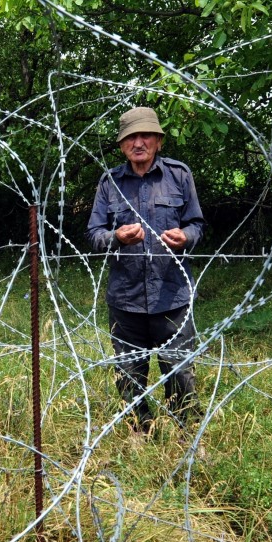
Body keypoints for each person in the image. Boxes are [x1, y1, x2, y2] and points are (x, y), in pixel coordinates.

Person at [87, 106, 205, 431]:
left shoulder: (179, 175)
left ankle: (187, 438)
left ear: (158, 141)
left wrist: (186, 236)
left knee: (179, 373)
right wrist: (115, 237)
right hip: (126, 301)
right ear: (122, 145)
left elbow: (196, 224)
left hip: (173, 298)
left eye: (146, 136)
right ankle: (141, 435)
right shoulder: (109, 182)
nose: (139, 143)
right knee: (129, 375)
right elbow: (94, 234)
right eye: (131, 138)